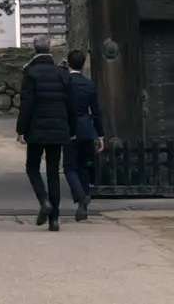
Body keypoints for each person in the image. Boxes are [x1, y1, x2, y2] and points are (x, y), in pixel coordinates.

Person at [16, 37, 74, 230]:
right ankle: (55, 220)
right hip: (58, 129)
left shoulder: (30, 73)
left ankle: (44, 201)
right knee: (53, 172)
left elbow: (27, 104)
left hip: (37, 130)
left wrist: (21, 130)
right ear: (50, 49)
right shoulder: (62, 73)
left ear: (34, 49)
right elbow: (70, 105)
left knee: (32, 167)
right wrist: (71, 129)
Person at [63, 48, 105, 221]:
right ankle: (83, 206)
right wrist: (100, 135)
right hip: (87, 129)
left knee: (69, 167)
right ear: (83, 64)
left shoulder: (65, 83)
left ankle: (81, 196)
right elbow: (96, 112)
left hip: (70, 129)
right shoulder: (89, 84)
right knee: (83, 167)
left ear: (68, 63)